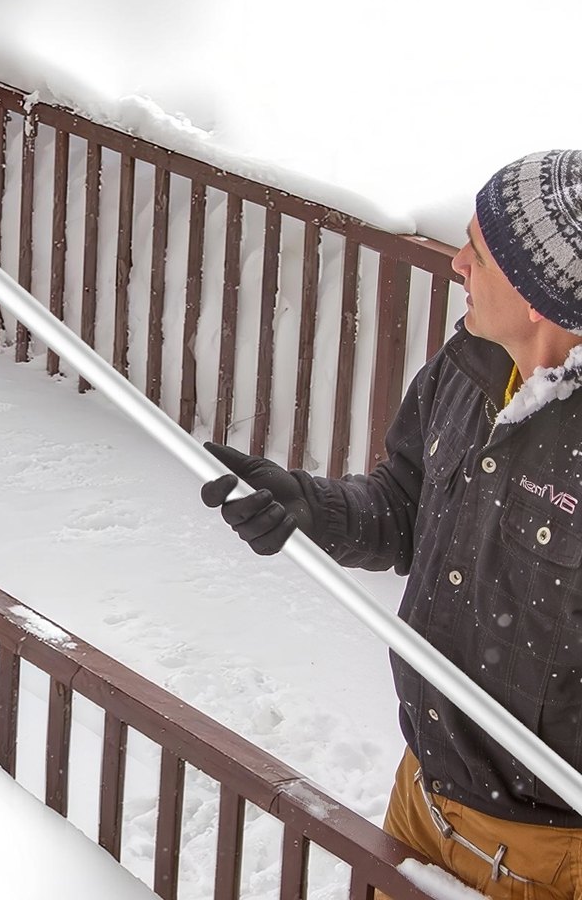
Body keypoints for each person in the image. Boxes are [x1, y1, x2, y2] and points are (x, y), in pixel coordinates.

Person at [202, 150, 582, 900]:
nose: (456, 266)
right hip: (420, 797)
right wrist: (316, 510)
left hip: (546, 861)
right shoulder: (475, 362)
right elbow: (406, 504)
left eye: (478, 252)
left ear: (539, 297)